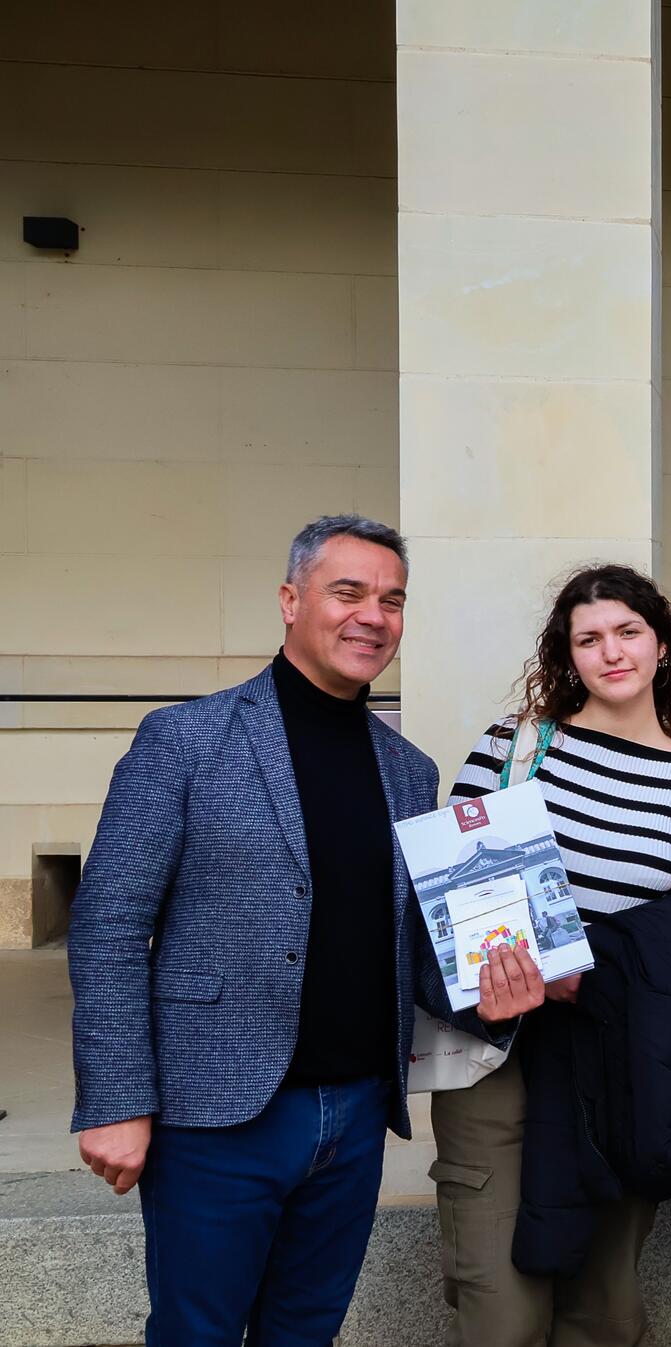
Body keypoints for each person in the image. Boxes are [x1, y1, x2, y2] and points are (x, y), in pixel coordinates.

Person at [68, 515, 539, 1345]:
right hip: (215, 1116)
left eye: (392, 600)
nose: (373, 615)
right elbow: (108, 927)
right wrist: (117, 1100)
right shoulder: (184, 740)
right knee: (195, 1333)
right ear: (291, 601)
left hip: (354, 1116)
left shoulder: (409, 769)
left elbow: (409, 947)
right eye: (347, 592)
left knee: (305, 1334)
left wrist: (493, 990)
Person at [434, 564, 671, 1347]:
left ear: (664, 647)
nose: (611, 652)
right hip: (495, 1055)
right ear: (567, 656)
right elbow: (451, 893)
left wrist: (612, 953)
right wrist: (662, 914)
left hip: (623, 1066)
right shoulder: (516, 750)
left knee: (603, 1316)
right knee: (499, 1312)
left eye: (628, 632)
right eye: (589, 638)